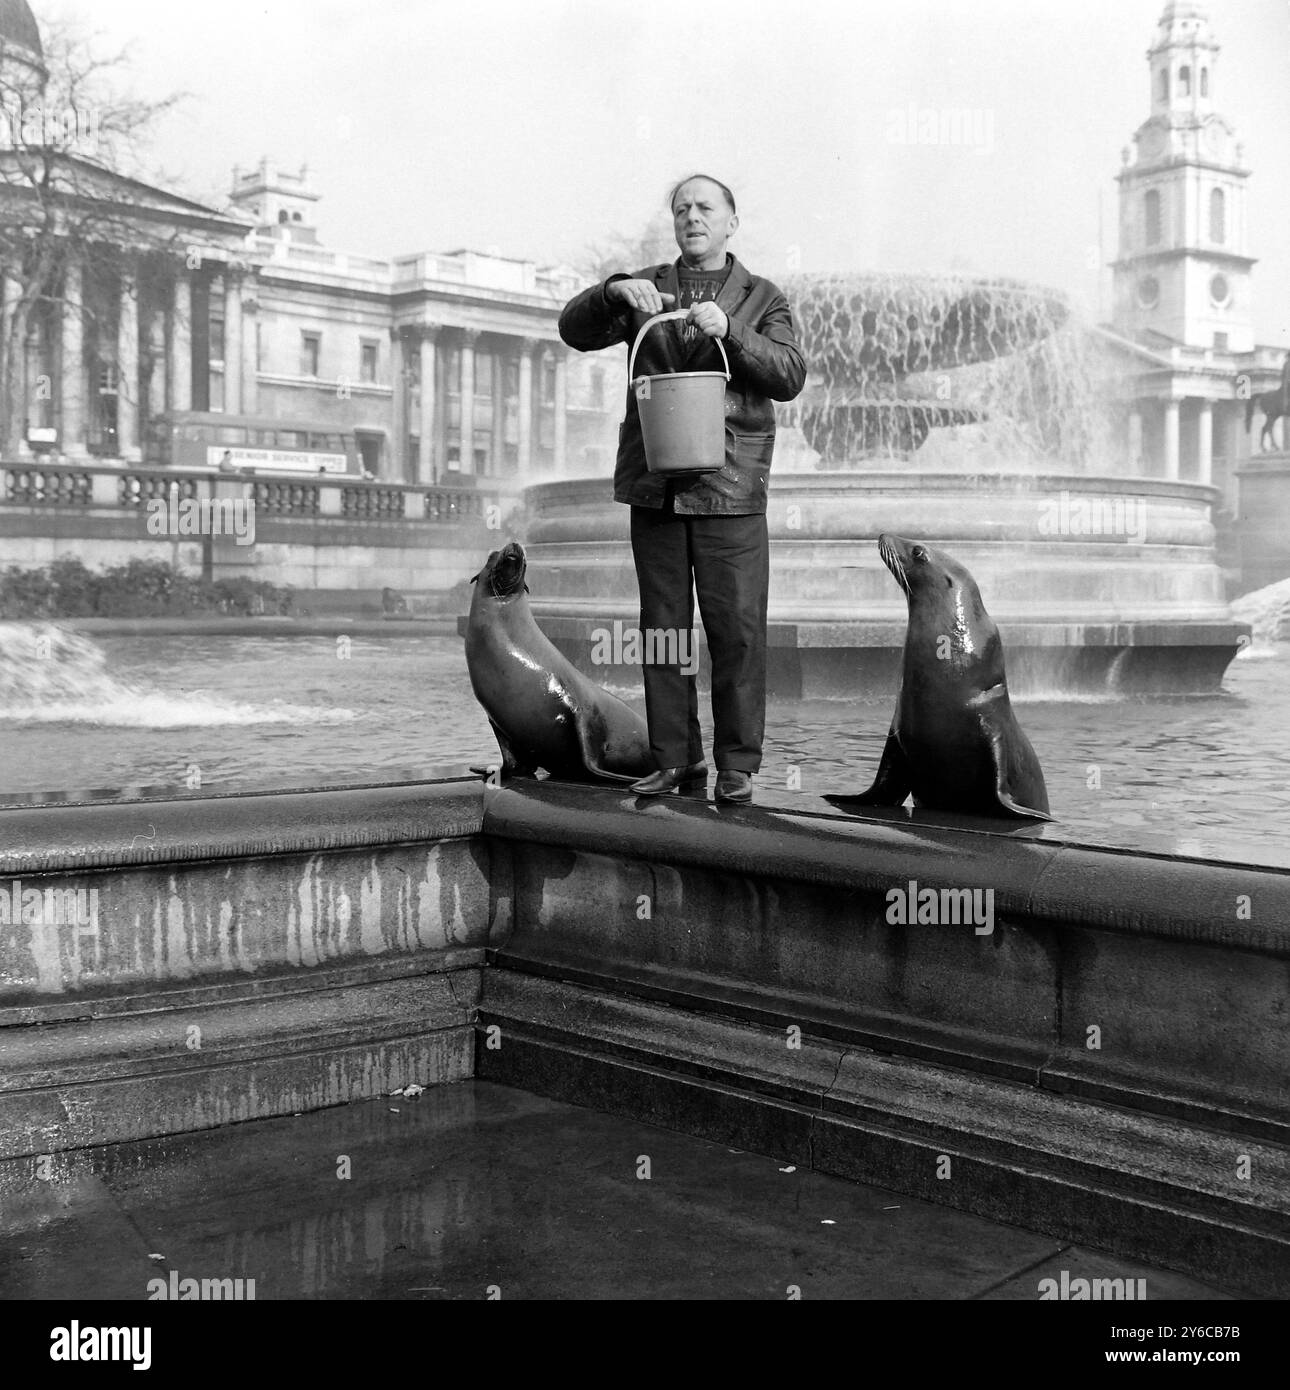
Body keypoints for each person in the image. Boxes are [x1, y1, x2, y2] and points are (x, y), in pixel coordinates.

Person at [559, 175, 806, 803]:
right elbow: (573, 329)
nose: (691, 217)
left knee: (738, 630)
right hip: (657, 485)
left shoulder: (762, 297)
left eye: (704, 208)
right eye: (681, 209)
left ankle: (738, 765)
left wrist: (730, 331)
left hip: (732, 489)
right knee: (664, 628)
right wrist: (613, 289)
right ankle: (676, 759)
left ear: (731, 221)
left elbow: (789, 375)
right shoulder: (645, 288)